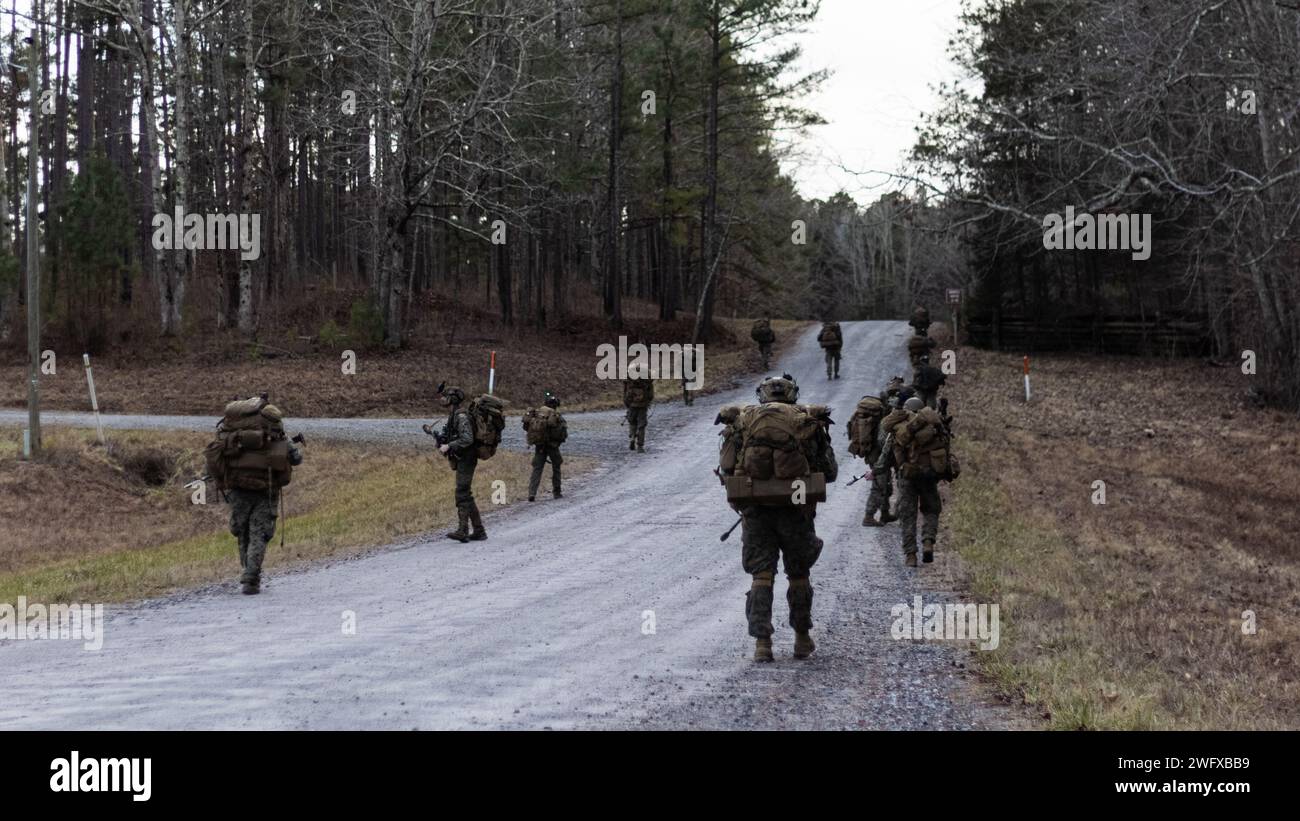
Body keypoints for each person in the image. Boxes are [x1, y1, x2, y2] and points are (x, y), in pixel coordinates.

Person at [720, 374, 837, 662]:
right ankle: (801, 638)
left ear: (762, 395)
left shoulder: (743, 421)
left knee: (762, 575)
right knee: (798, 574)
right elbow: (830, 472)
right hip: (796, 510)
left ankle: (763, 643)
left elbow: (726, 468)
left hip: (756, 512)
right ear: (792, 394)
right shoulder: (806, 420)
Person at [205, 394, 303, 595]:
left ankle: (248, 571)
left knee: (242, 531)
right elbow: (296, 458)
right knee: (259, 532)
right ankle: (252, 577)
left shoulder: (229, 430)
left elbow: (215, 456)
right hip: (266, 490)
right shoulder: (274, 429)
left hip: (238, 489)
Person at [884, 396, 958, 567]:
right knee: (932, 510)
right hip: (929, 476)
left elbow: (893, 453)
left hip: (908, 476)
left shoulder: (902, 427)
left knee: (907, 516)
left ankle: (911, 555)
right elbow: (945, 447)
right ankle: (928, 542)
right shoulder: (934, 424)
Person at [425, 385, 486, 543]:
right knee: (466, 494)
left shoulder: (461, 416)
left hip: (467, 457)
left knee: (461, 492)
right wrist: (442, 442)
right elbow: (452, 436)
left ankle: (462, 530)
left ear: (452, 399)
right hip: (462, 457)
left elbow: (467, 439)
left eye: (445, 396)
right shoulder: (454, 415)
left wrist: (449, 446)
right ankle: (479, 531)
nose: (442, 399)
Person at [523, 391, 566, 502]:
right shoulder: (556, 416)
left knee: (537, 469)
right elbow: (562, 433)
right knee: (556, 466)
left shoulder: (538, 413)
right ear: (556, 405)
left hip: (539, 446)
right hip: (552, 446)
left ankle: (531, 493)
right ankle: (557, 492)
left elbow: (526, 427)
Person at [623, 364, 654, 452]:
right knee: (642, 425)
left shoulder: (629, 379)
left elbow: (625, 393)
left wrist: (627, 404)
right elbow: (651, 395)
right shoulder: (647, 380)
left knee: (632, 422)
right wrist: (648, 402)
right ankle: (640, 446)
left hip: (632, 405)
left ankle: (632, 437)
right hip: (643, 406)